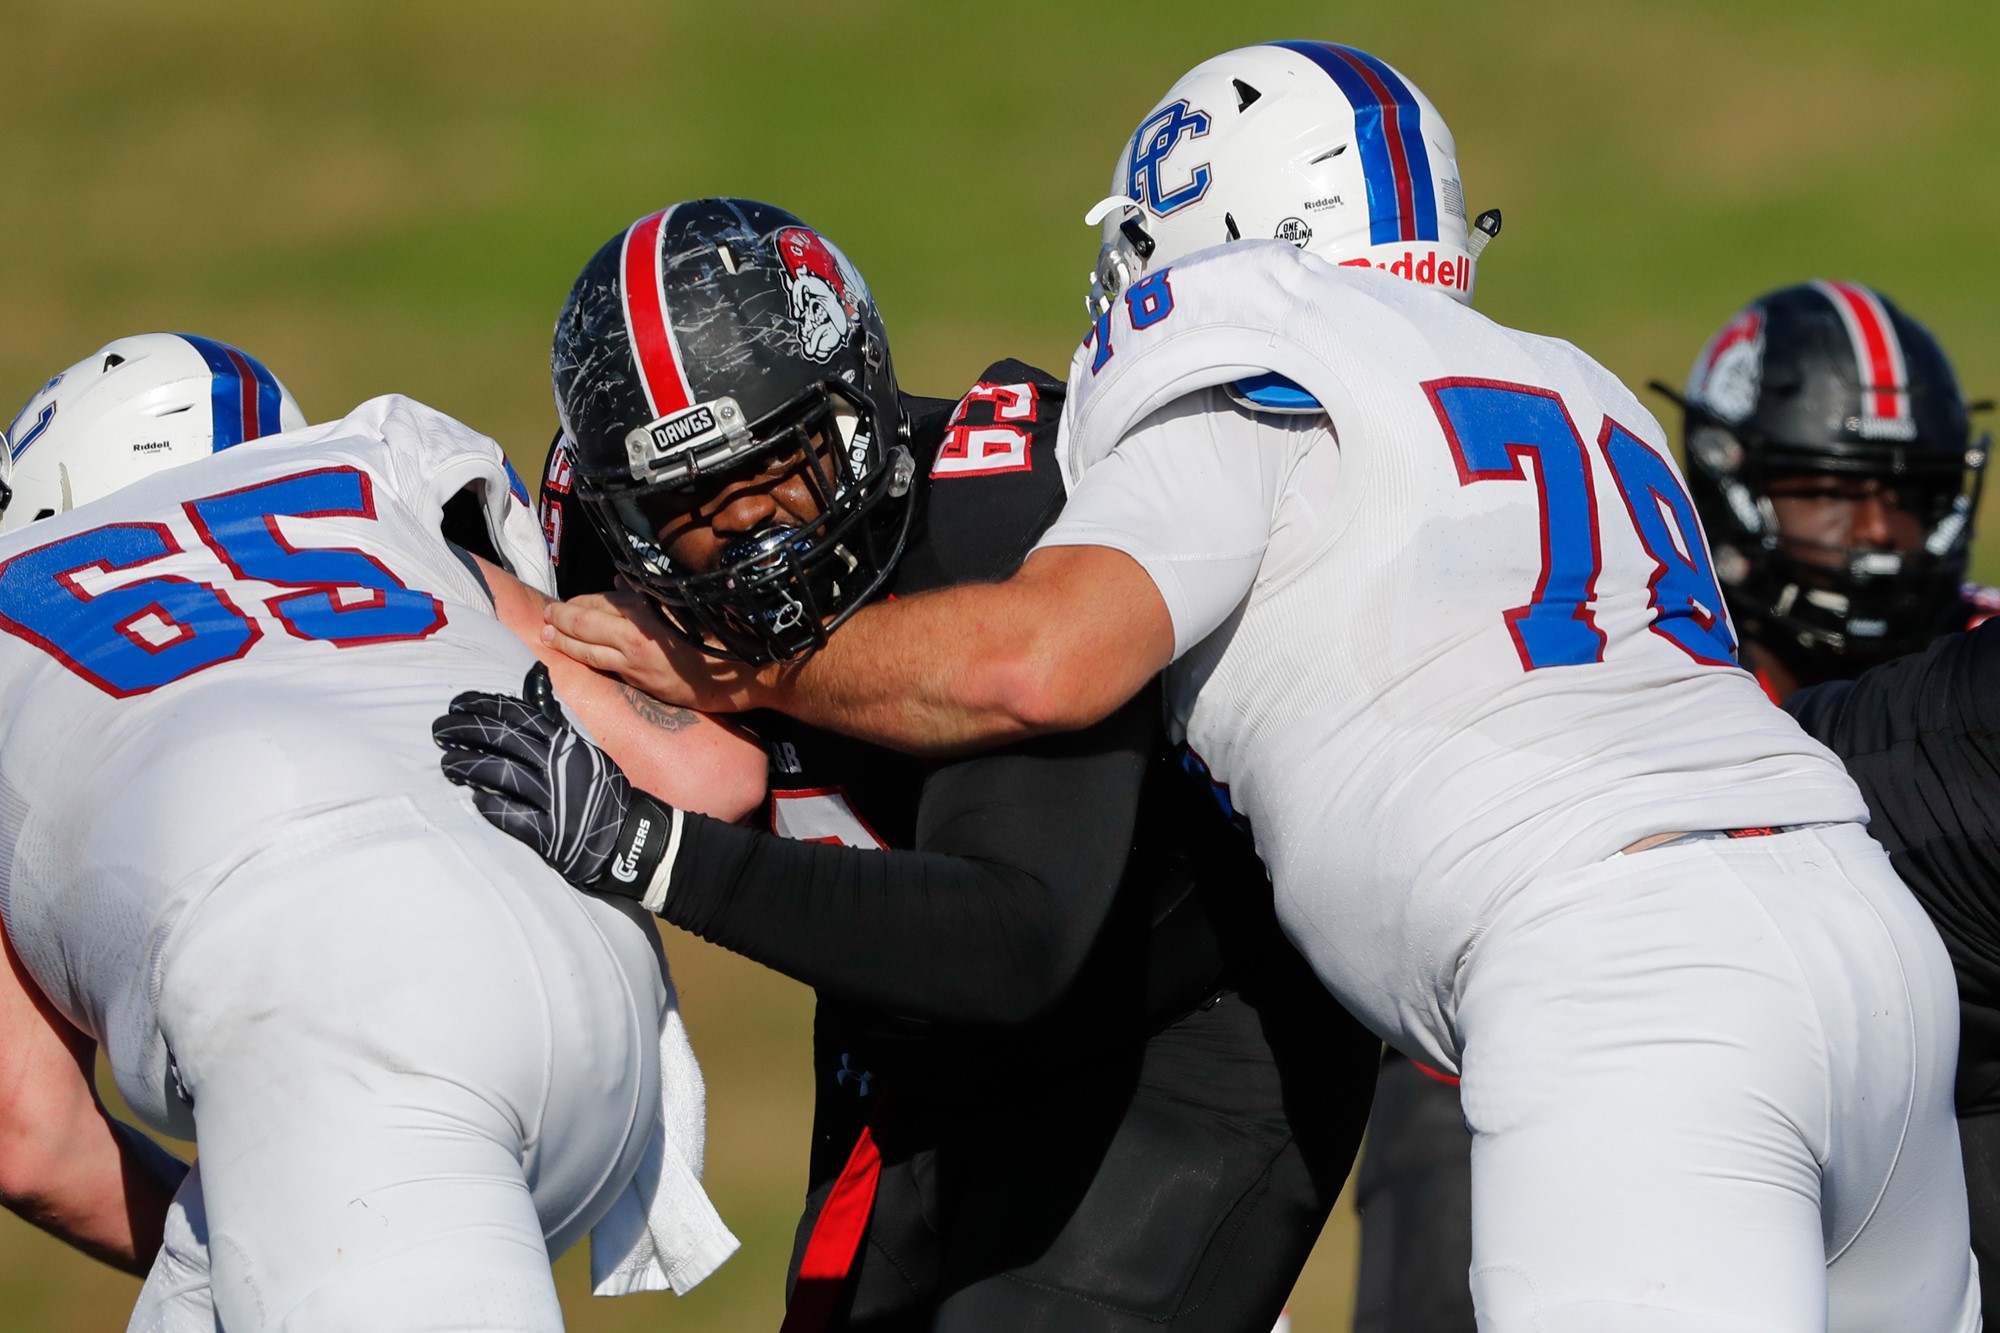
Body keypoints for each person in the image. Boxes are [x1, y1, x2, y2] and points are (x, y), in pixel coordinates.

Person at [528, 46, 1979, 1331]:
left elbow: (1038, 665)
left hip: (1624, 978)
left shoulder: (1248, 355)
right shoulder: (1571, 384)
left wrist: (744, 655)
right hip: (1861, 928)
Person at [439, 197, 1378, 1332]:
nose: (756, 527)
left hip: (1172, 1035)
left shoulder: (994, 513)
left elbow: (1013, 937)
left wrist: (651, 851)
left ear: (862, 409)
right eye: (693, 504)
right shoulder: (597, 551)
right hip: (909, 1053)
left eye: (783, 462)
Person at [0, 338, 763, 1330]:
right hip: (602, 1023)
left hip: (327, 1021)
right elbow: (711, 773)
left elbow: (28, 1129)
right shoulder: (355, 491)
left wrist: (281, 1238)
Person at [1350, 280, 1998, 1332]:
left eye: (1908, 494)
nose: (1875, 533)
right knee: (1444, 1098)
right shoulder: (1628, 653)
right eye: (1823, 491)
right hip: (1636, 1048)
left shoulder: (1969, 675)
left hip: (1923, 1088)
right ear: (1731, 485)